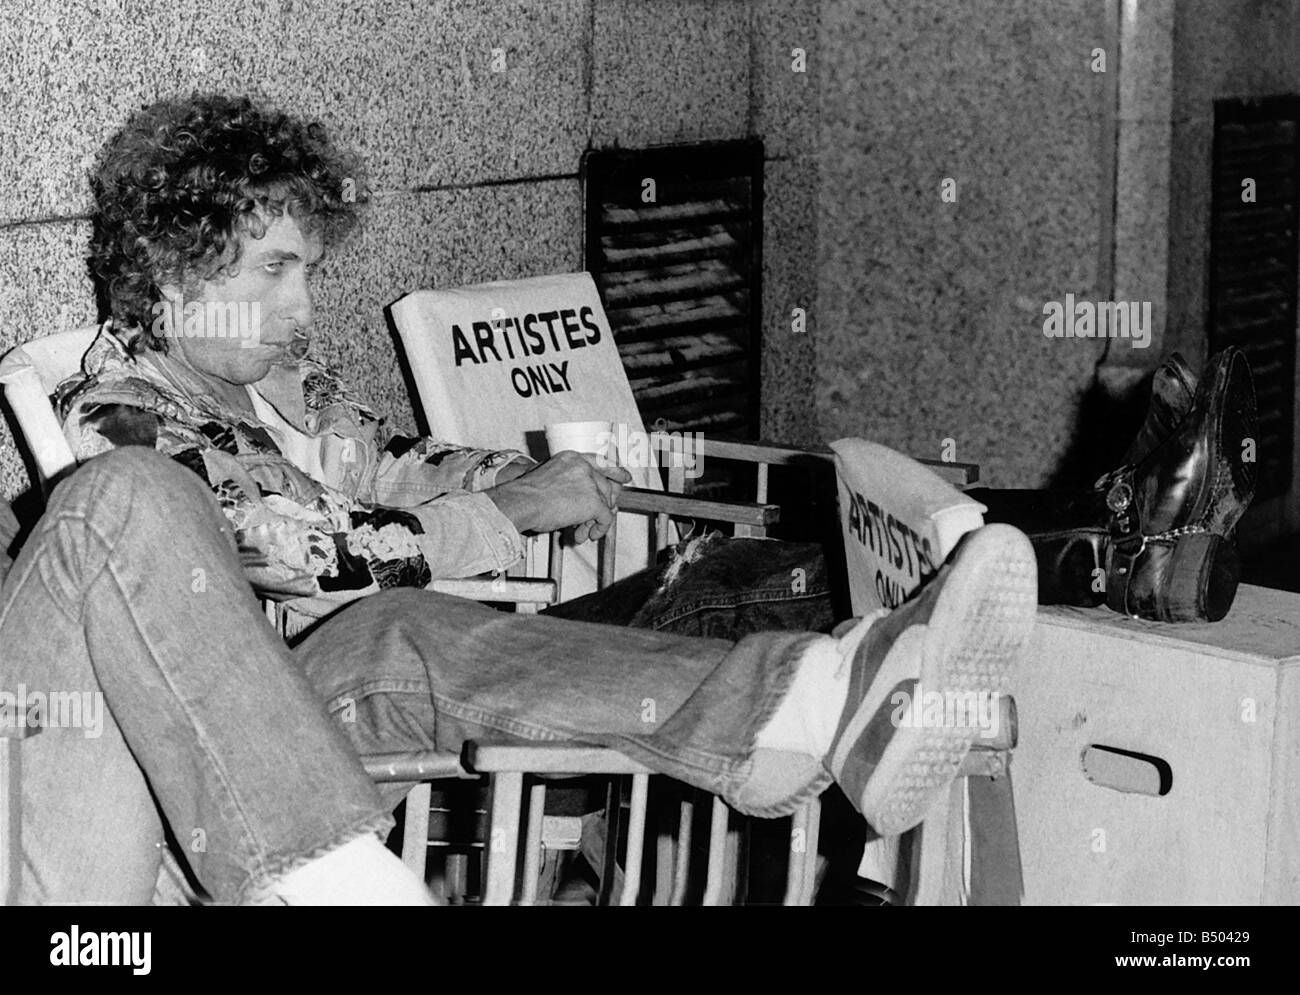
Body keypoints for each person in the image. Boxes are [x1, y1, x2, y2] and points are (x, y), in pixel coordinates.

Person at [0, 93, 1253, 905]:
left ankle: (900, 657)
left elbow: (390, 468)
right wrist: (497, 520)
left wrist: (515, 478)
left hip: (354, 707)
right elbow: (301, 552)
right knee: (420, 624)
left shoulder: (286, 385)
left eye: (311, 274)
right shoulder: (124, 412)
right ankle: (1018, 588)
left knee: (738, 565)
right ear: (173, 267)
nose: (302, 310)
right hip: (233, 750)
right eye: (276, 271)